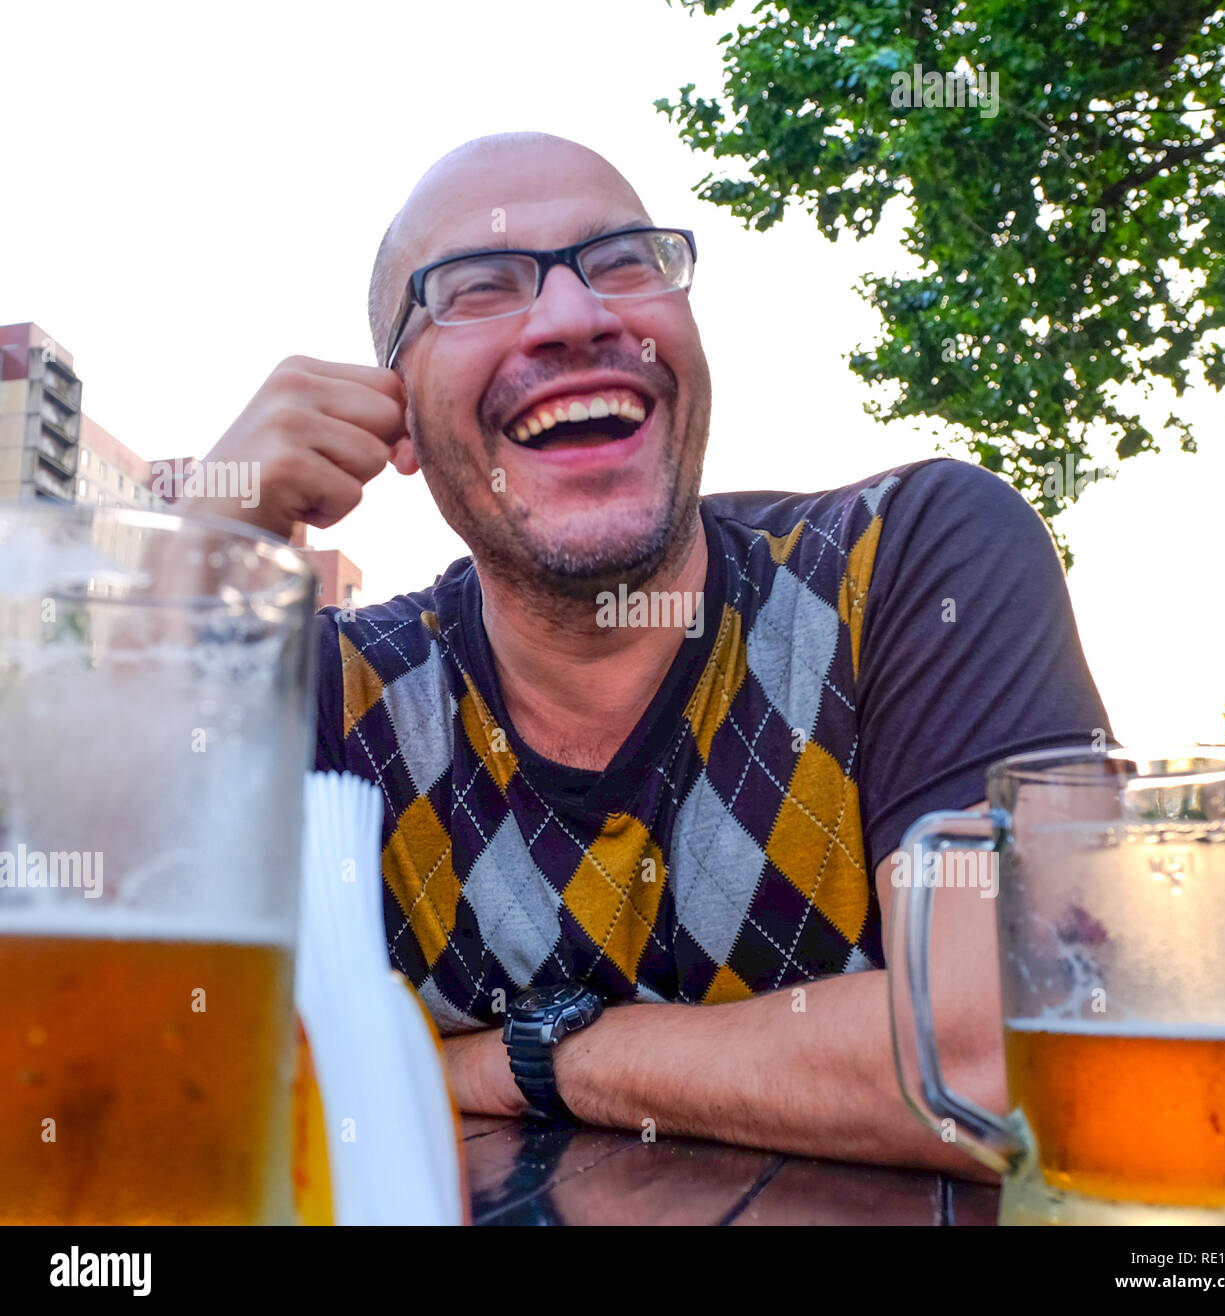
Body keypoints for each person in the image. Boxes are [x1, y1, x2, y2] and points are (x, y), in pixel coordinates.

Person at [186, 132, 1111, 1176]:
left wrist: (534, 1060)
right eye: (477, 286)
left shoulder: (911, 561)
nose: (576, 314)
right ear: (397, 411)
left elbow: (1013, 1056)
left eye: (623, 259)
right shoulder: (331, 696)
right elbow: (103, 1008)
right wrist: (193, 558)